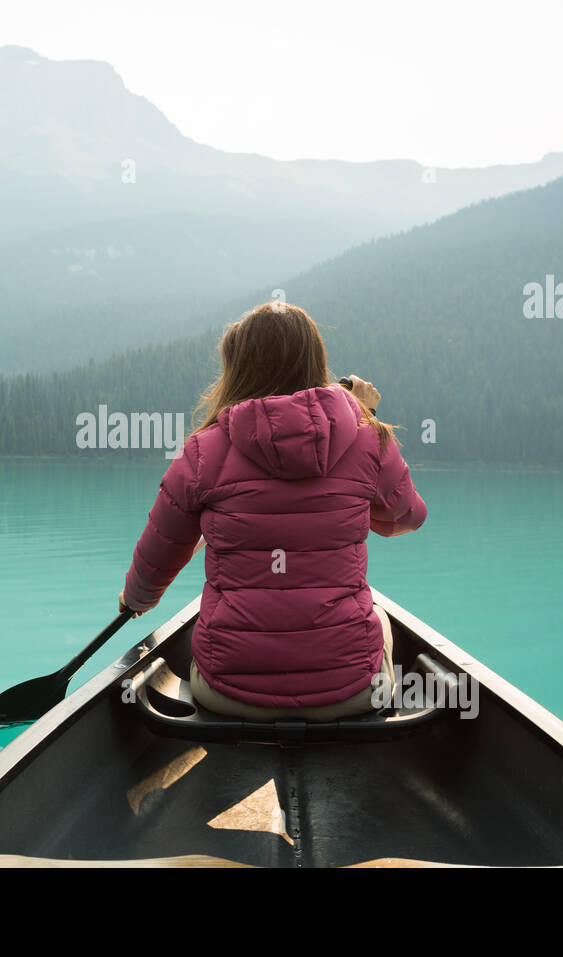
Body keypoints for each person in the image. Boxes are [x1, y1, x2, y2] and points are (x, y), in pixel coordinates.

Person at [117, 301, 427, 719]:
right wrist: (362, 415)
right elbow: (407, 518)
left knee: (211, 632)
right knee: (381, 619)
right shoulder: (368, 440)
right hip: (350, 692)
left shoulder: (202, 453)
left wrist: (133, 598)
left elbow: (157, 563)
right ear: (315, 362)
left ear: (238, 371)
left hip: (229, 691)